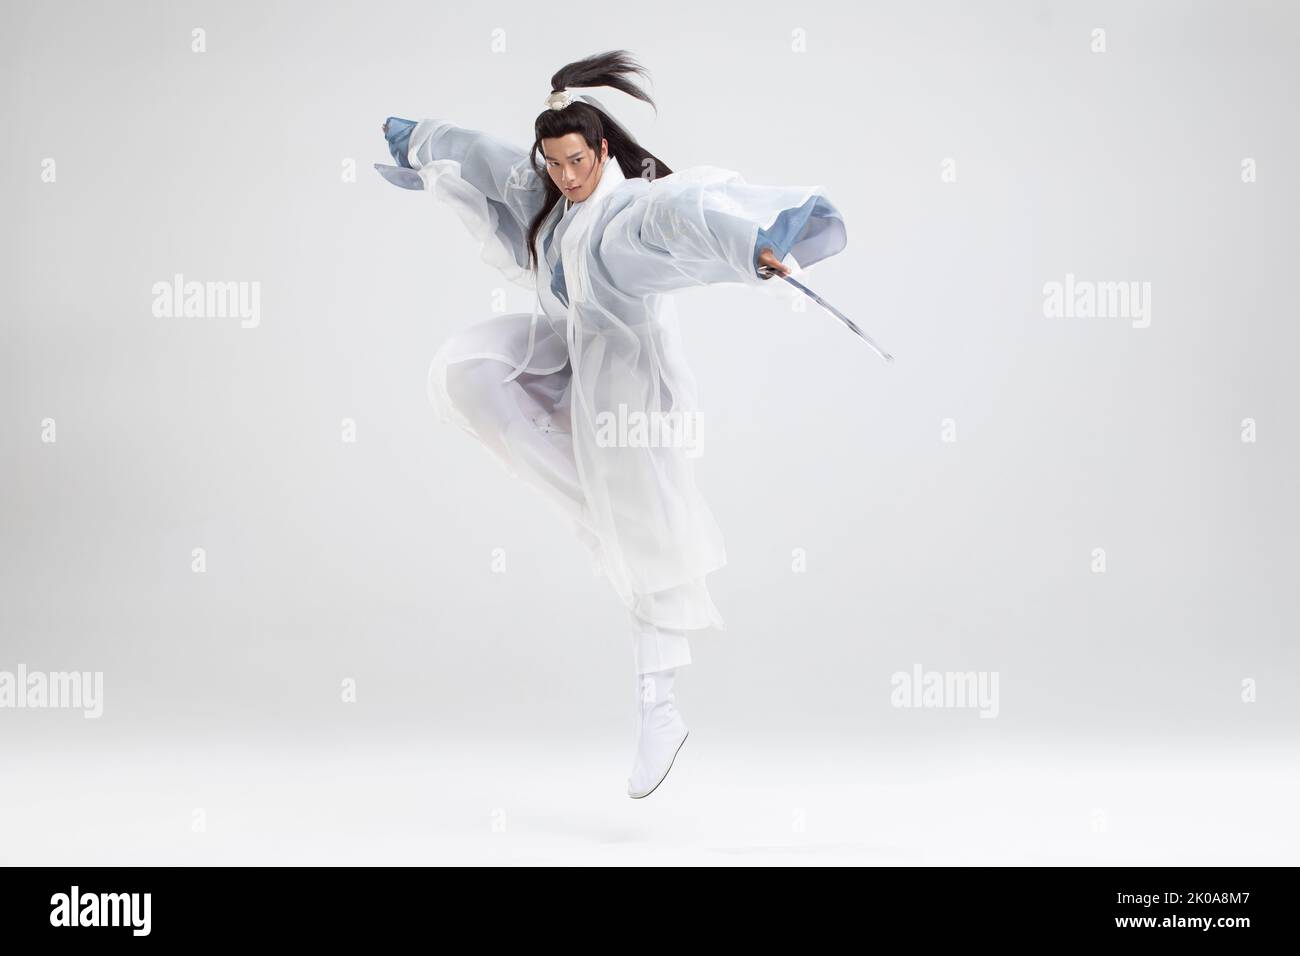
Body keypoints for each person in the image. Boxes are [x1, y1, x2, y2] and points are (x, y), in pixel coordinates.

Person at [375, 50, 847, 798]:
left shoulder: (626, 214)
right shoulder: (552, 193)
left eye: (577, 161)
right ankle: (598, 505)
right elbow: (489, 160)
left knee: (646, 544)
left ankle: (658, 706)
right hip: (564, 349)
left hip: (627, 387)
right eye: (555, 162)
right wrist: (418, 141)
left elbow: (684, 215)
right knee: (465, 372)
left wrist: (754, 246)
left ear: (603, 152)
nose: (566, 176)